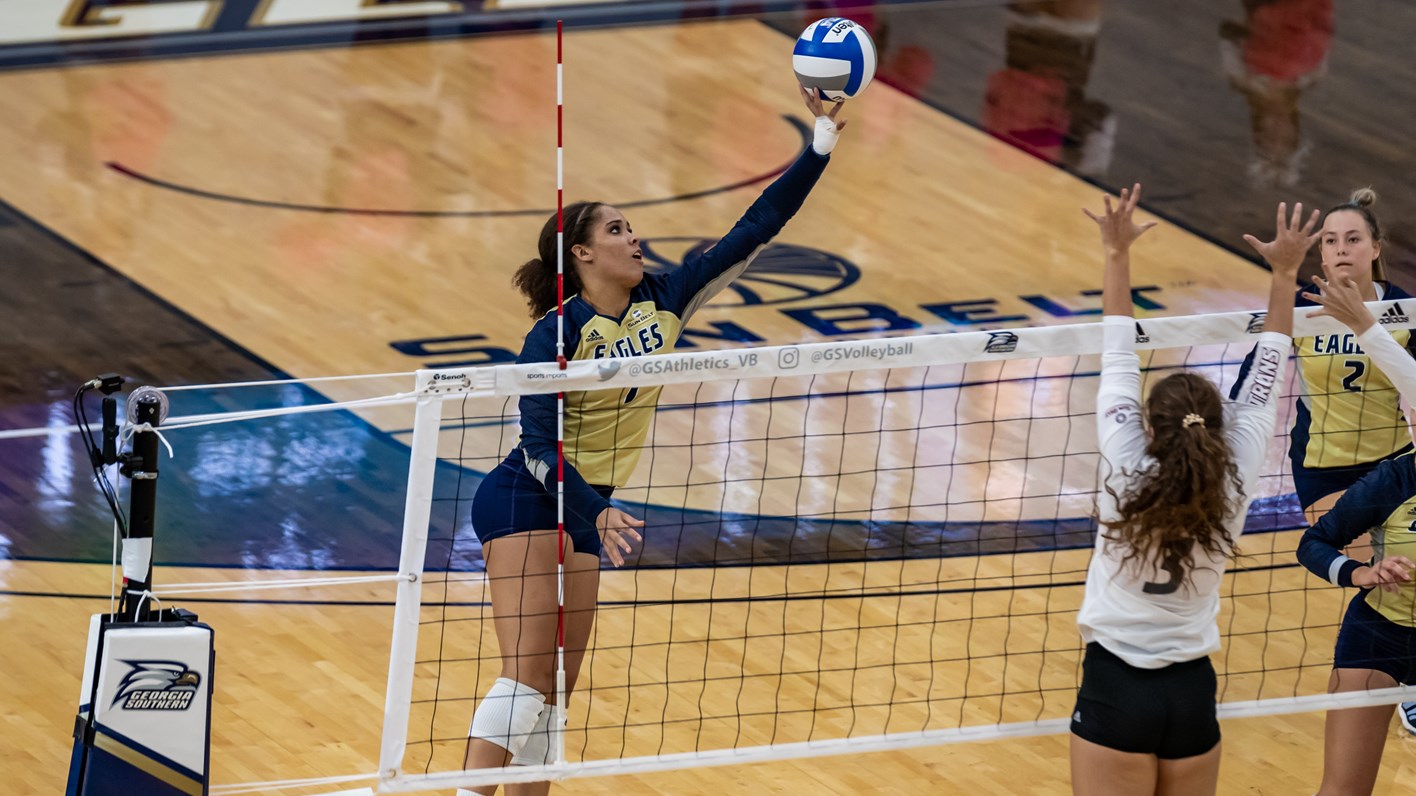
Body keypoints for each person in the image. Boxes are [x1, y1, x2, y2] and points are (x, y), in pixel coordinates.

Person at [456, 86, 848, 796]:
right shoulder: (555, 335)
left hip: (589, 508)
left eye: (632, 228)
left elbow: (755, 228)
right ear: (581, 253)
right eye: (617, 230)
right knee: (527, 674)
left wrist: (819, 144)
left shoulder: (668, 299)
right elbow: (540, 449)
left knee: (556, 688)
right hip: (526, 498)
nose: (634, 238)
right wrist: (595, 509)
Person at [1070, 184, 1297, 795]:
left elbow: (1119, 351)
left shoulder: (1126, 463)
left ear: (1148, 427)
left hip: (1116, 686)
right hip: (1192, 692)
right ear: (1216, 427)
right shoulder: (1234, 475)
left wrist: (1116, 254)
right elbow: (1268, 372)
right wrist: (1285, 276)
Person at [1232, 188, 1416, 731]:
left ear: (1375, 248)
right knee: (1380, 575)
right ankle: (1398, 678)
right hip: (1325, 466)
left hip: (1398, 465)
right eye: (1330, 241)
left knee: (1407, 575)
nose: (1340, 250)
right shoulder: (1302, 311)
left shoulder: (1405, 311)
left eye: (1353, 239)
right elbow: (1255, 373)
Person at [1295, 260, 1416, 795]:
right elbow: (1314, 543)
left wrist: (1366, 324)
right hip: (1379, 633)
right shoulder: (1395, 478)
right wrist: (1360, 573)